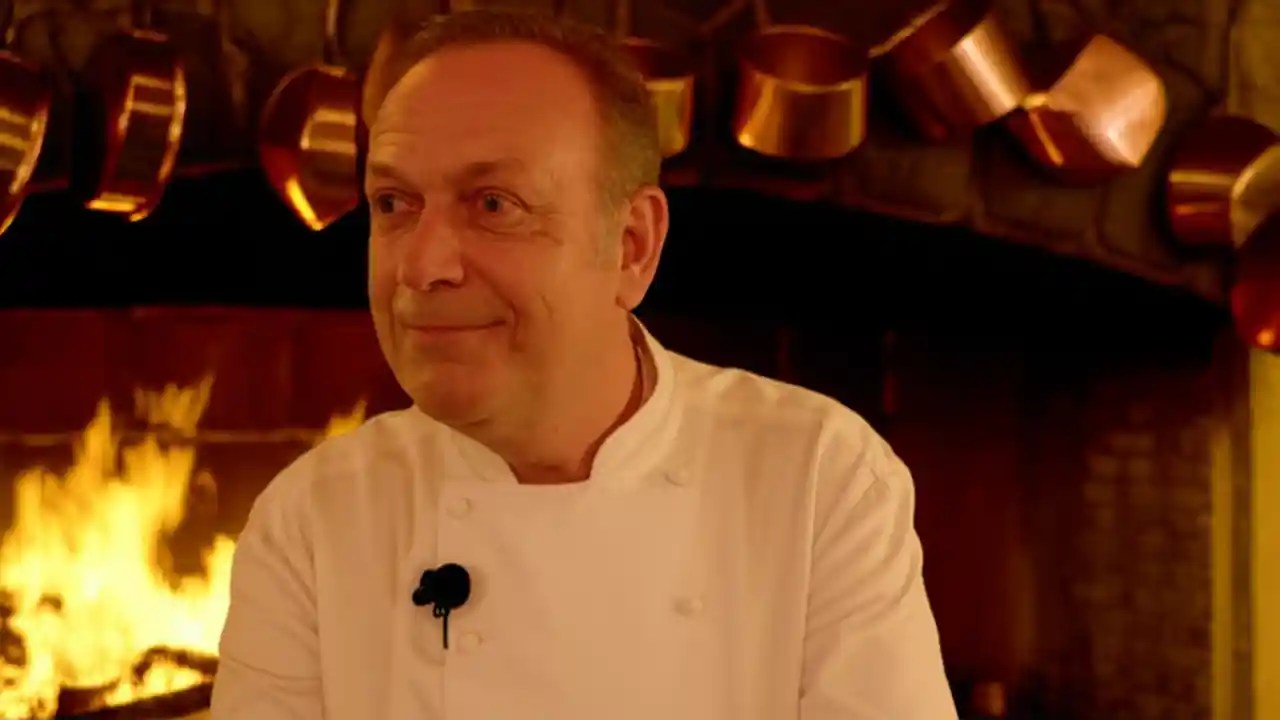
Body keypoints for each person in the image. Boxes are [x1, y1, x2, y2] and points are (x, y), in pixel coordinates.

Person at [210, 8, 956, 719]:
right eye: (394, 204)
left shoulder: (819, 480)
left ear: (632, 245)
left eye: (495, 204)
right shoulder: (313, 522)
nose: (422, 265)